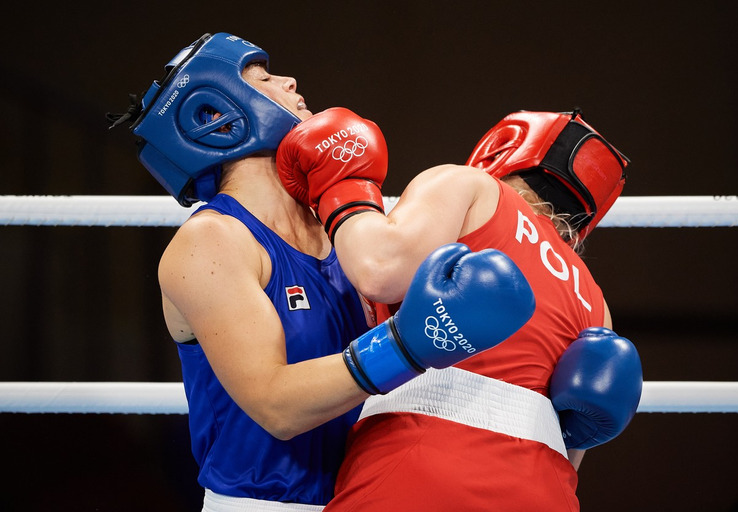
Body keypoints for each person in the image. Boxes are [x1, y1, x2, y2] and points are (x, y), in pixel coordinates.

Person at [107, 32, 537, 511]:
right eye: (265, 78)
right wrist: (409, 344)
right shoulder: (211, 242)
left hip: (370, 497)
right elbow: (276, 405)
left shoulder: (347, 236)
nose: (291, 81)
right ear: (211, 116)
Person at [276, 108, 644, 510]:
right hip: (545, 490)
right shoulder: (593, 298)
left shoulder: (472, 187)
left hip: (417, 466)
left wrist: (341, 184)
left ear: (500, 148)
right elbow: (573, 444)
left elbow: (379, 270)